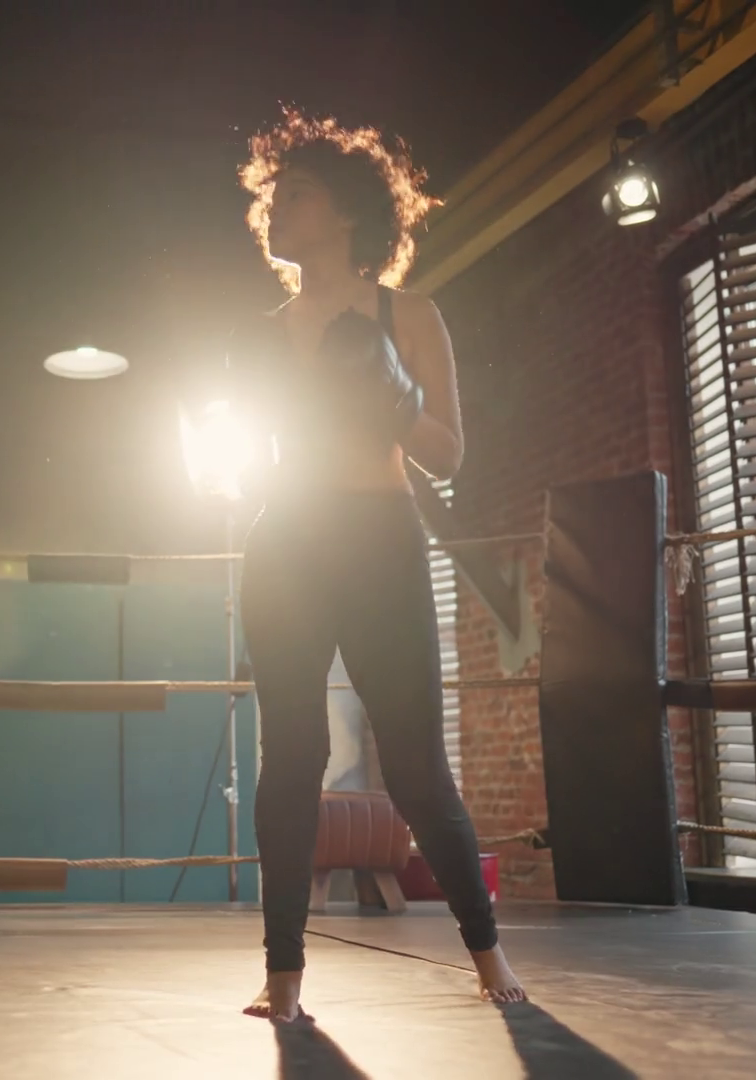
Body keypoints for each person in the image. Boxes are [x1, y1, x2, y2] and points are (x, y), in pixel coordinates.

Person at [225, 110, 525, 1022]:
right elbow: (261, 454)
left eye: (300, 193)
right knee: (292, 759)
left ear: (348, 211)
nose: (281, 207)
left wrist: (390, 393)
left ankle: (489, 955)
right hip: (289, 542)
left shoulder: (412, 314)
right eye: (275, 194)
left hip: (382, 539)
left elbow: (451, 455)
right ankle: (282, 981)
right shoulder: (263, 330)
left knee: (418, 770)